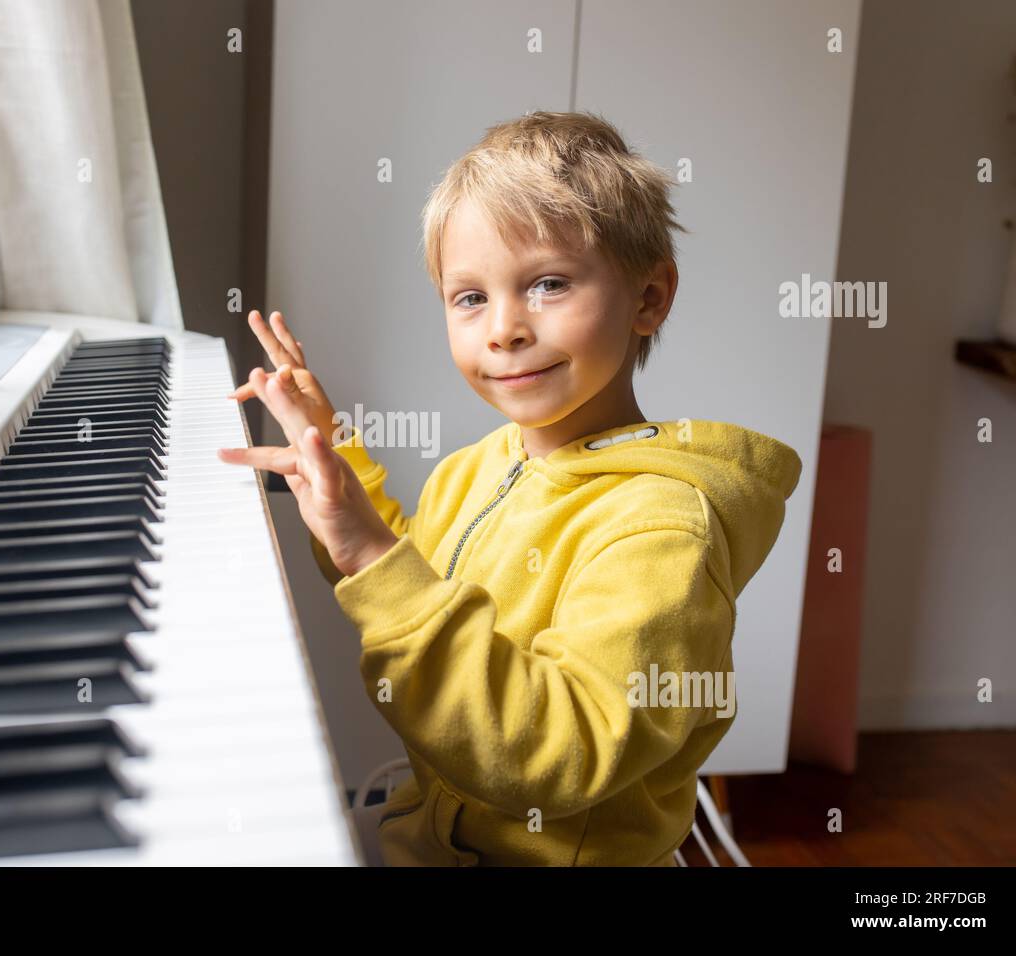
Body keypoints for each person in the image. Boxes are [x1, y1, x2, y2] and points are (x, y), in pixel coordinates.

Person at [219, 111, 802, 866]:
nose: (503, 329)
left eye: (548, 284)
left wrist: (370, 557)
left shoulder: (662, 529)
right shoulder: (482, 465)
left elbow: (559, 754)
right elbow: (409, 582)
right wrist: (330, 455)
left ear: (650, 298)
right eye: (469, 298)